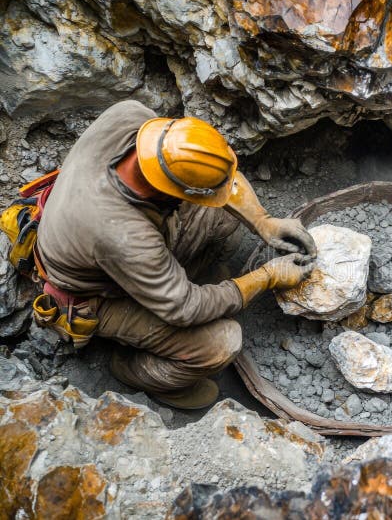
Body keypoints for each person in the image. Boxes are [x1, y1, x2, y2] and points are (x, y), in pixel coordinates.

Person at [22, 100, 317, 409]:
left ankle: (174, 285)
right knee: (221, 343)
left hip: (103, 244)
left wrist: (264, 222)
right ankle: (134, 369)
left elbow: (221, 184)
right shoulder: (123, 234)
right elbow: (185, 308)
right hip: (93, 293)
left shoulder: (134, 120)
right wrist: (267, 277)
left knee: (225, 214)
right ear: (170, 192)